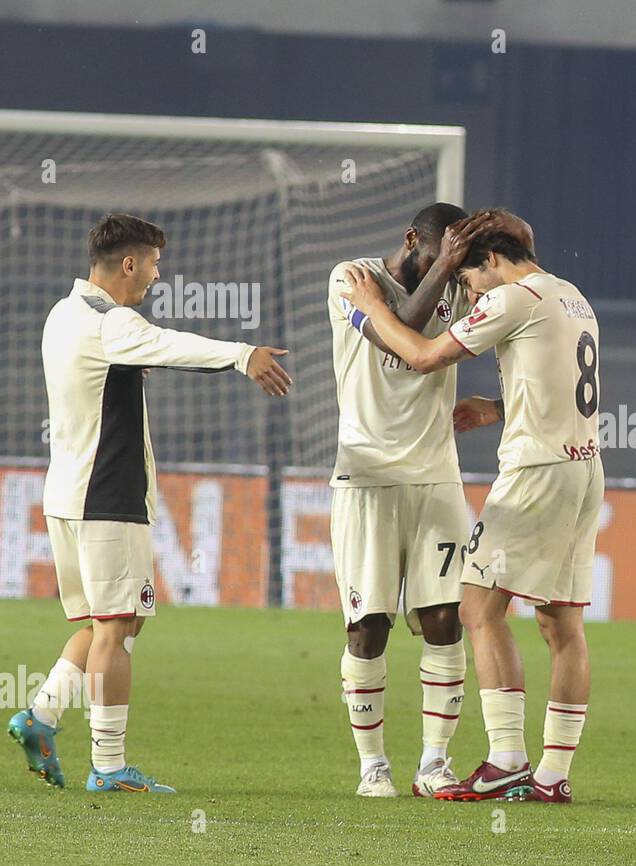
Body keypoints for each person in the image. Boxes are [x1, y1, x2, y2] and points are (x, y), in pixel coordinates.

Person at [9, 213, 290, 794]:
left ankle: (40, 716)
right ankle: (108, 766)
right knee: (115, 629)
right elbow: (168, 345)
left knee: (113, 620)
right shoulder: (108, 323)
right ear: (129, 263)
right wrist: (243, 354)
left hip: (68, 492)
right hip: (105, 496)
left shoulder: (63, 313)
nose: (157, 277)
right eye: (155, 264)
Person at [341, 222, 601, 803]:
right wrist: (499, 405)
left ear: (491, 259)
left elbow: (423, 354)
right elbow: (560, 382)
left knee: (478, 607)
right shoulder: (572, 295)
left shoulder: (514, 296)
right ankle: (553, 776)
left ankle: (507, 758)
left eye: (468, 277)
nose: (471, 292)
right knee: (562, 621)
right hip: (584, 467)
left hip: (535, 472)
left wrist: (367, 308)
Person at [326, 206, 525, 798]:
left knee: (445, 619)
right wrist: (443, 264)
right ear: (414, 239)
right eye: (446, 255)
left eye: (462, 262)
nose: (458, 272)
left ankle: (434, 762)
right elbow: (404, 332)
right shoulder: (351, 280)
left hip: (437, 476)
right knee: (369, 627)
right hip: (366, 477)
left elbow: (521, 355)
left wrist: (498, 406)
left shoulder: (459, 287)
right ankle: (373, 765)